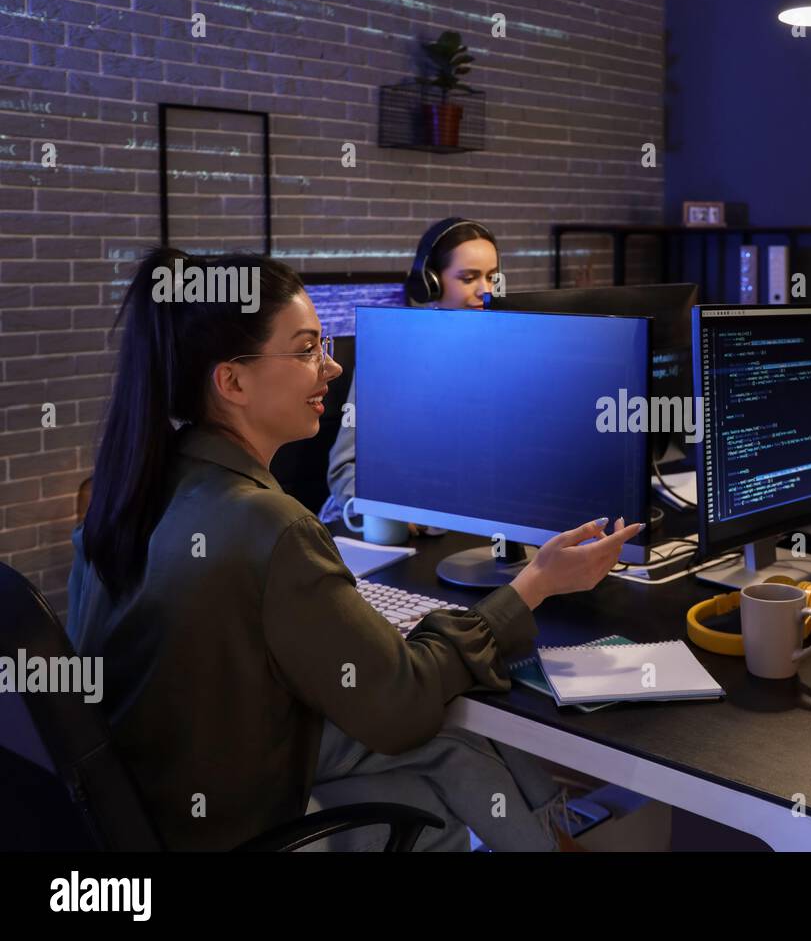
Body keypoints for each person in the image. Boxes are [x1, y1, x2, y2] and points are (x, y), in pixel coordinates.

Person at [66, 247, 642, 851]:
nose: (332, 368)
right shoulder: (271, 525)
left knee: (450, 755)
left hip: (159, 808)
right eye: (307, 349)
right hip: (232, 827)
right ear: (232, 381)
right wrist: (535, 585)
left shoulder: (130, 493)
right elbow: (402, 704)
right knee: (436, 762)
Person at [317, 217, 498, 525]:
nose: (485, 290)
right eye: (468, 278)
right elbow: (345, 467)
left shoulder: (503, 351)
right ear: (431, 282)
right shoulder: (391, 351)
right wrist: (388, 514)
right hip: (385, 524)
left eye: (492, 278)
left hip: (469, 519)